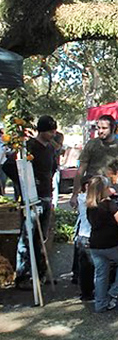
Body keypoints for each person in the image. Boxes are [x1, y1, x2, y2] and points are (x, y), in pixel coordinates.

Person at [15, 115, 58, 289]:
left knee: (42, 237)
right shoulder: (30, 147)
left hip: (46, 196)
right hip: (33, 197)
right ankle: (22, 276)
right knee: (28, 236)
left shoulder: (50, 148)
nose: (53, 133)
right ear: (42, 130)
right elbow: (12, 167)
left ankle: (40, 274)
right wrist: (26, 186)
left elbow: (53, 169)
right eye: (50, 130)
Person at [86, 175, 118, 313]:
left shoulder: (90, 206)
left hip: (95, 244)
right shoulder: (109, 204)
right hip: (112, 243)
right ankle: (115, 290)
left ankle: (100, 303)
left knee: (100, 275)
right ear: (103, 189)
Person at [71, 115, 118, 208]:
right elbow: (81, 170)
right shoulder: (92, 144)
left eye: (104, 128)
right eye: (98, 128)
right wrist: (75, 194)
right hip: (92, 193)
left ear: (113, 128)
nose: (100, 131)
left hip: (112, 194)